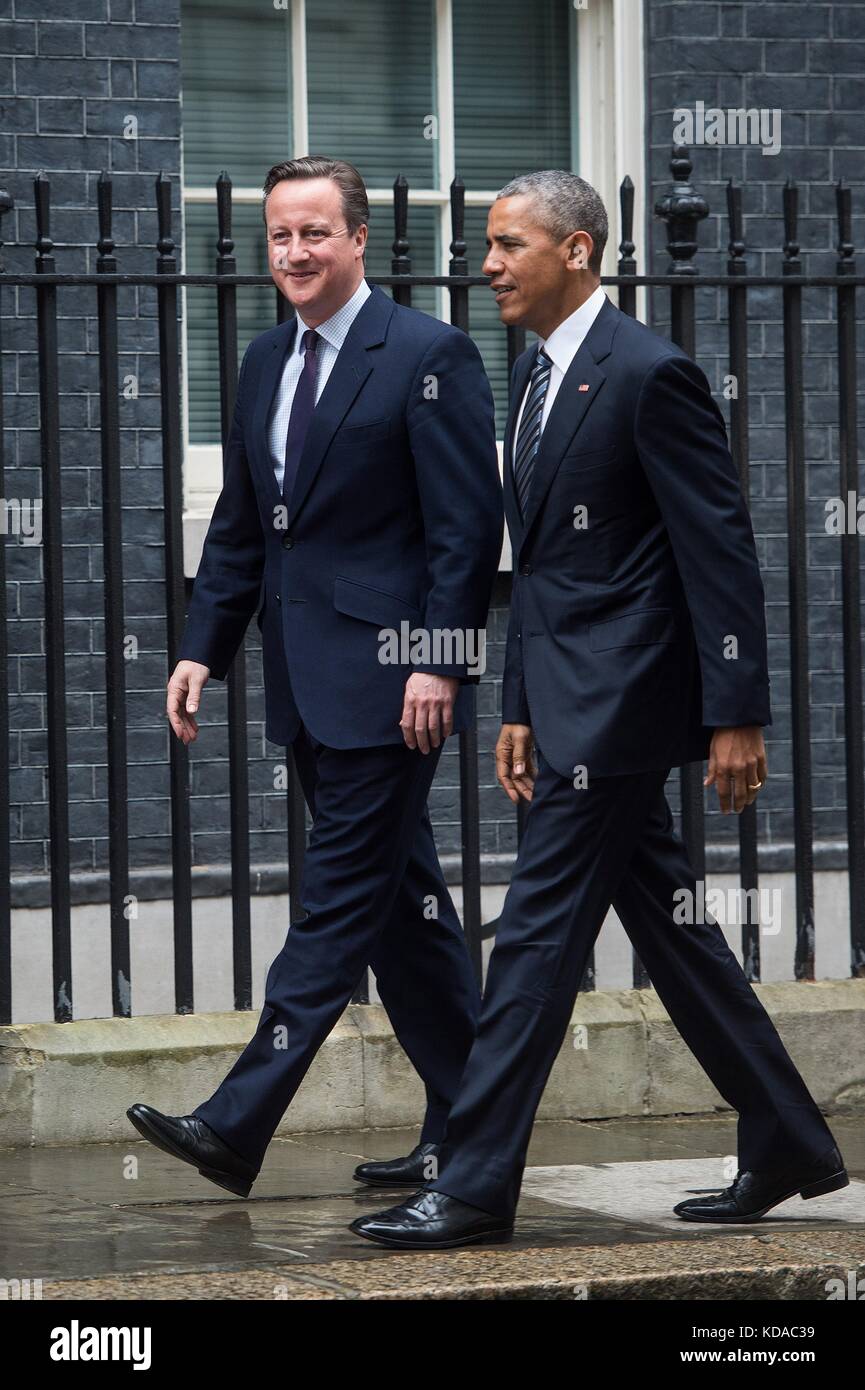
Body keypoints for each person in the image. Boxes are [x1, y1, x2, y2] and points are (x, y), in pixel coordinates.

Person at [350, 169, 848, 1249]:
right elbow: (538, 566)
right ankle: (786, 1137)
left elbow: (718, 553)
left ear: (576, 252)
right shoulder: (532, 377)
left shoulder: (649, 374)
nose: (485, 265)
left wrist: (736, 713)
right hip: (566, 700)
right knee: (678, 940)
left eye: (507, 244)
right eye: (486, 245)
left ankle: (474, 1183)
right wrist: (519, 700)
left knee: (531, 942)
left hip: (622, 707)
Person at [127, 156, 503, 1198]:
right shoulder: (262, 360)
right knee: (401, 912)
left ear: (359, 240)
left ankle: (236, 1124)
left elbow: (465, 535)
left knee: (336, 902)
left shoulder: (428, 354)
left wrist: (437, 662)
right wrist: (205, 645)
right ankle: (471, 1130)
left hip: (394, 691)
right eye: (279, 235)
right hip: (307, 684)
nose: (292, 253)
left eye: (312, 234)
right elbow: (243, 527)